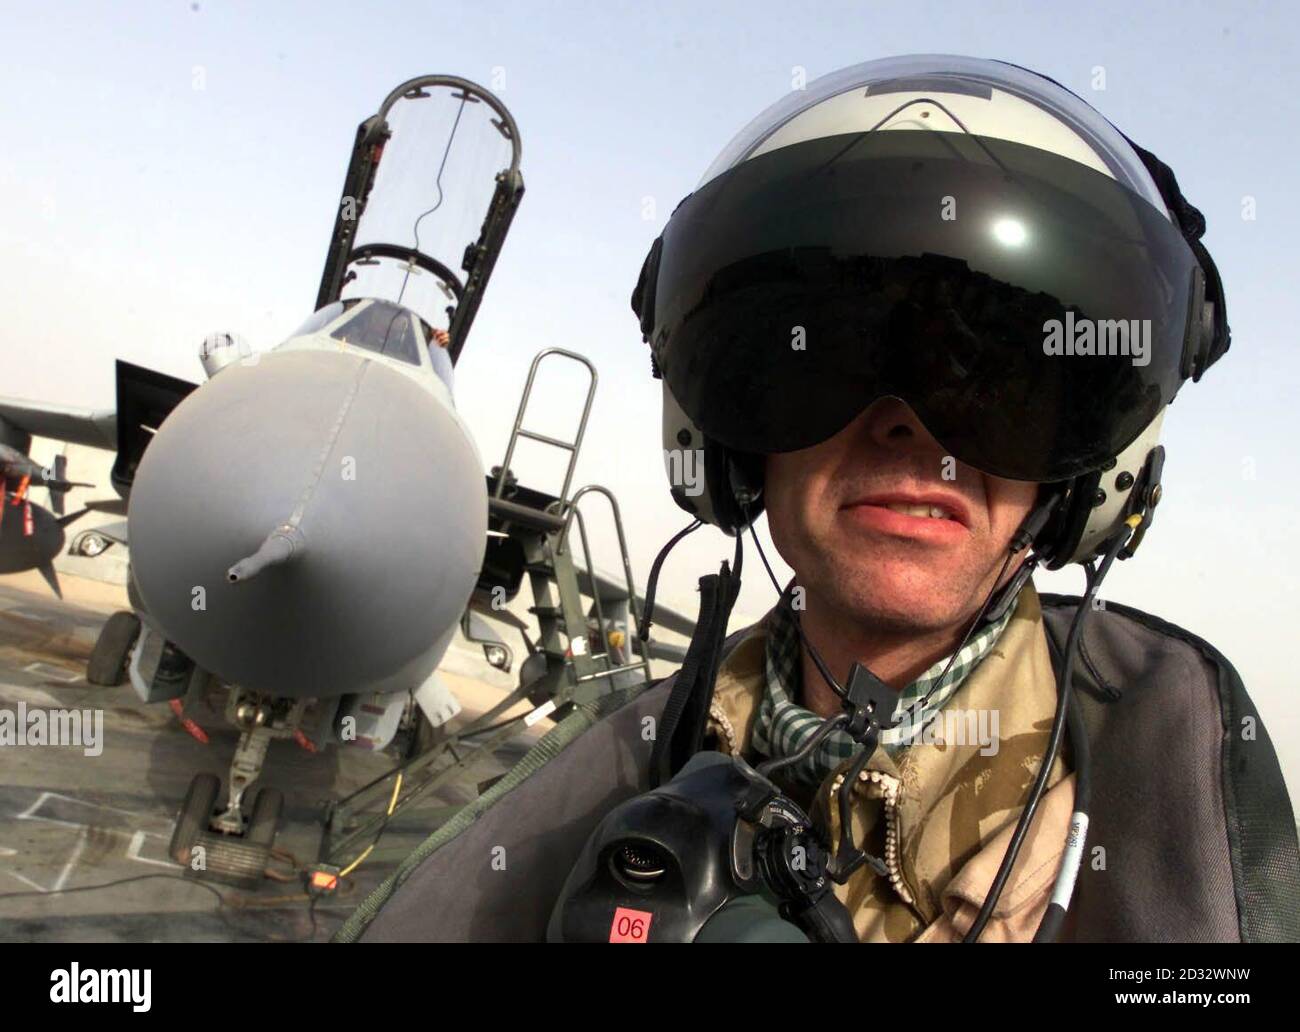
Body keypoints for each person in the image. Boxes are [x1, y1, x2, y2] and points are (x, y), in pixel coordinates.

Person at [336, 55, 1299, 943]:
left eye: (992, 379)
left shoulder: (1173, 824)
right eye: (828, 360)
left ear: (1088, 478)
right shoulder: (613, 769)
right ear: (730, 441)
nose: (912, 428)